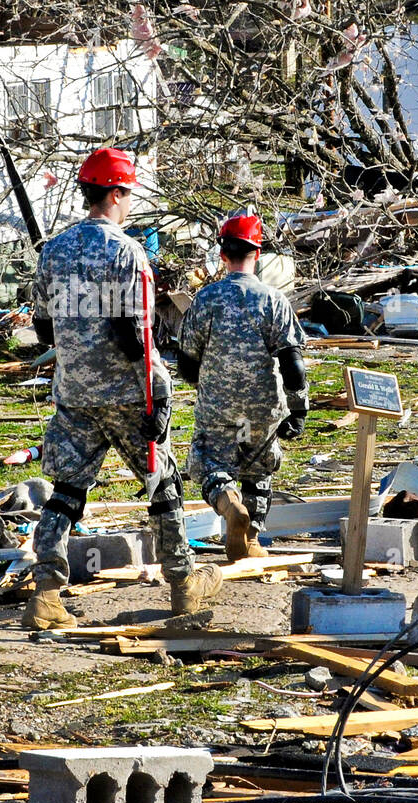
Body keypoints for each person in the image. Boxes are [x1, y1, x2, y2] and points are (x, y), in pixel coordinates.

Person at [23, 148, 223, 629]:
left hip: (74, 393)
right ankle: (183, 588)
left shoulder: (53, 249)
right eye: (128, 193)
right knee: (163, 488)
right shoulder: (126, 253)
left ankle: (46, 594)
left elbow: (45, 328)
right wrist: (160, 392)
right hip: (130, 395)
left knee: (66, 491)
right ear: (114, 193)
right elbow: (139, 336)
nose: (130, 202)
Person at [177, 212, 308, 561]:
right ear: (258, 253)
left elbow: (187, 362)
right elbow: (292, 364)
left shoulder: (206, 300)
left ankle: (226, 501)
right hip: (263, 408)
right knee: (258, 468)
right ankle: (250, 540)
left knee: (208, 464)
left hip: (219, 408)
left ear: (223, 254)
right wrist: (299, 410)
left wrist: (204, 382)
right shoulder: (275, 300)